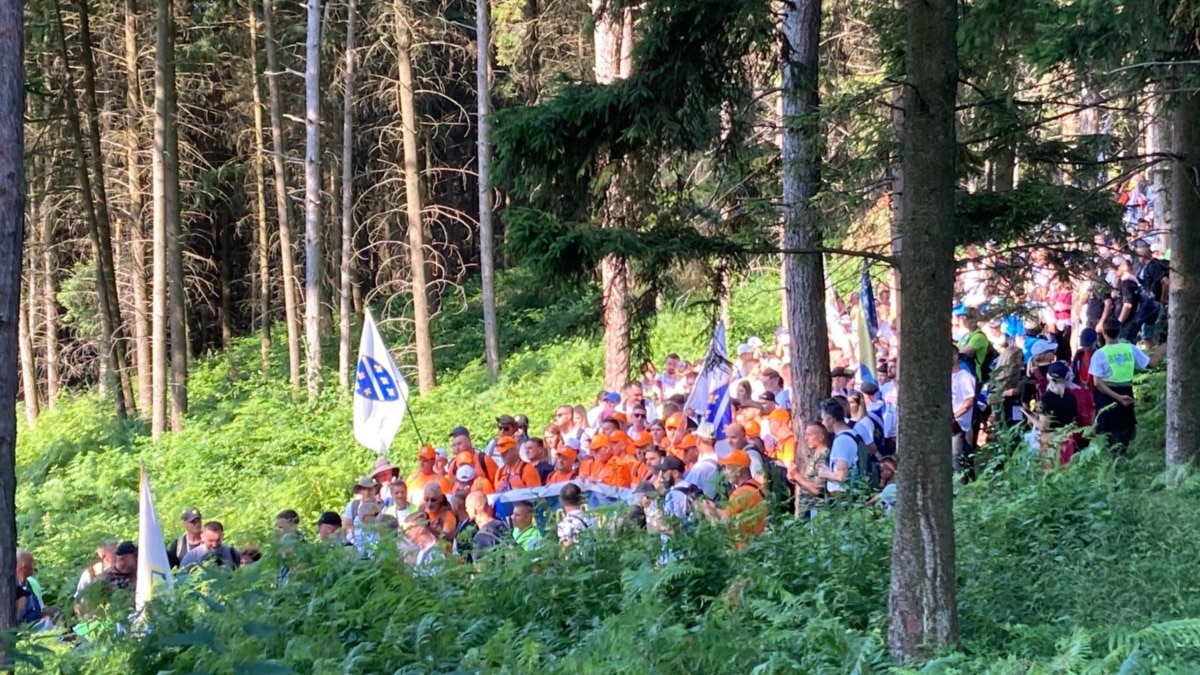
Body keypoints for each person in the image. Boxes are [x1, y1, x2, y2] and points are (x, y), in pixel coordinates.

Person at [1089, 320, 1155, 453]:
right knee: (1125, 432)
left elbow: (1097, 383)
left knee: (1107, 436)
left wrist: (1117, 397)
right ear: (1119, 331)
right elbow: (1151, 363)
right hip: (1127, 394)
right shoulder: (1130, 348)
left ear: (1104, 332)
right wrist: (1162, 348)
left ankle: (1111, 466)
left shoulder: (1100, 354)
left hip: (1107, 397)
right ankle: (1120, 460)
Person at [697, 450, 767, 540]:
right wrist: (714, 510)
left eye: (727, 468)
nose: (724, 472)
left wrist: (708, 512)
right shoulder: (756, 486)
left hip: (744, 546)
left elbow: (723, 528)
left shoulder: (740, 494)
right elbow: (733, 515)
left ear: (738, 471)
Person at [817, 399, 857, 497]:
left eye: (823, 419)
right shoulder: (853, 434)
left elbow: (842, 475)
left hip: (843, 497)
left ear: (830, 419)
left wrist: (824, 473)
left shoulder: (841, 441)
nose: (822, 423)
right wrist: (829, 470)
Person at [788, 424, 830, 515]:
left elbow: (817, 489)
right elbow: (808, 482)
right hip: (808, 508)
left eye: (809, 435)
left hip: (815, 509)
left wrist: (796, 475)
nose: (806, 438)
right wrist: (795, 477)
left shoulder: (823, 457)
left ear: (821, 437)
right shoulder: (816, 455)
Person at [951, 344, 978, 479]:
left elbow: (969, 401)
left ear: (955, 356)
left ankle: (963, 487)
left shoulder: (964, 377)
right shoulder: (943, 378)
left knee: (957, 460)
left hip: (959, 426)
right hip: (947, 425)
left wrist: (954, 417)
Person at [74, 539, 117, 618]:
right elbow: (78, 600)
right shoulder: (90, 573)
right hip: (95, 619)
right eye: (115, 553)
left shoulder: (122, 571)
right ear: (104, 555)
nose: (118, 556)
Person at [465, 491, 510, 562]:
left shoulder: (480, 538)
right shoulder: (500, 524)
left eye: (467, 507)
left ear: (474, 511)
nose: (466, 510)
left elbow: (481, 568)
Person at [683, 423, 722, 499]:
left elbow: (685, 493)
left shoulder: (700, 468)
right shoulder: (721, 460)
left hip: (704, 507)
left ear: (698, 440)